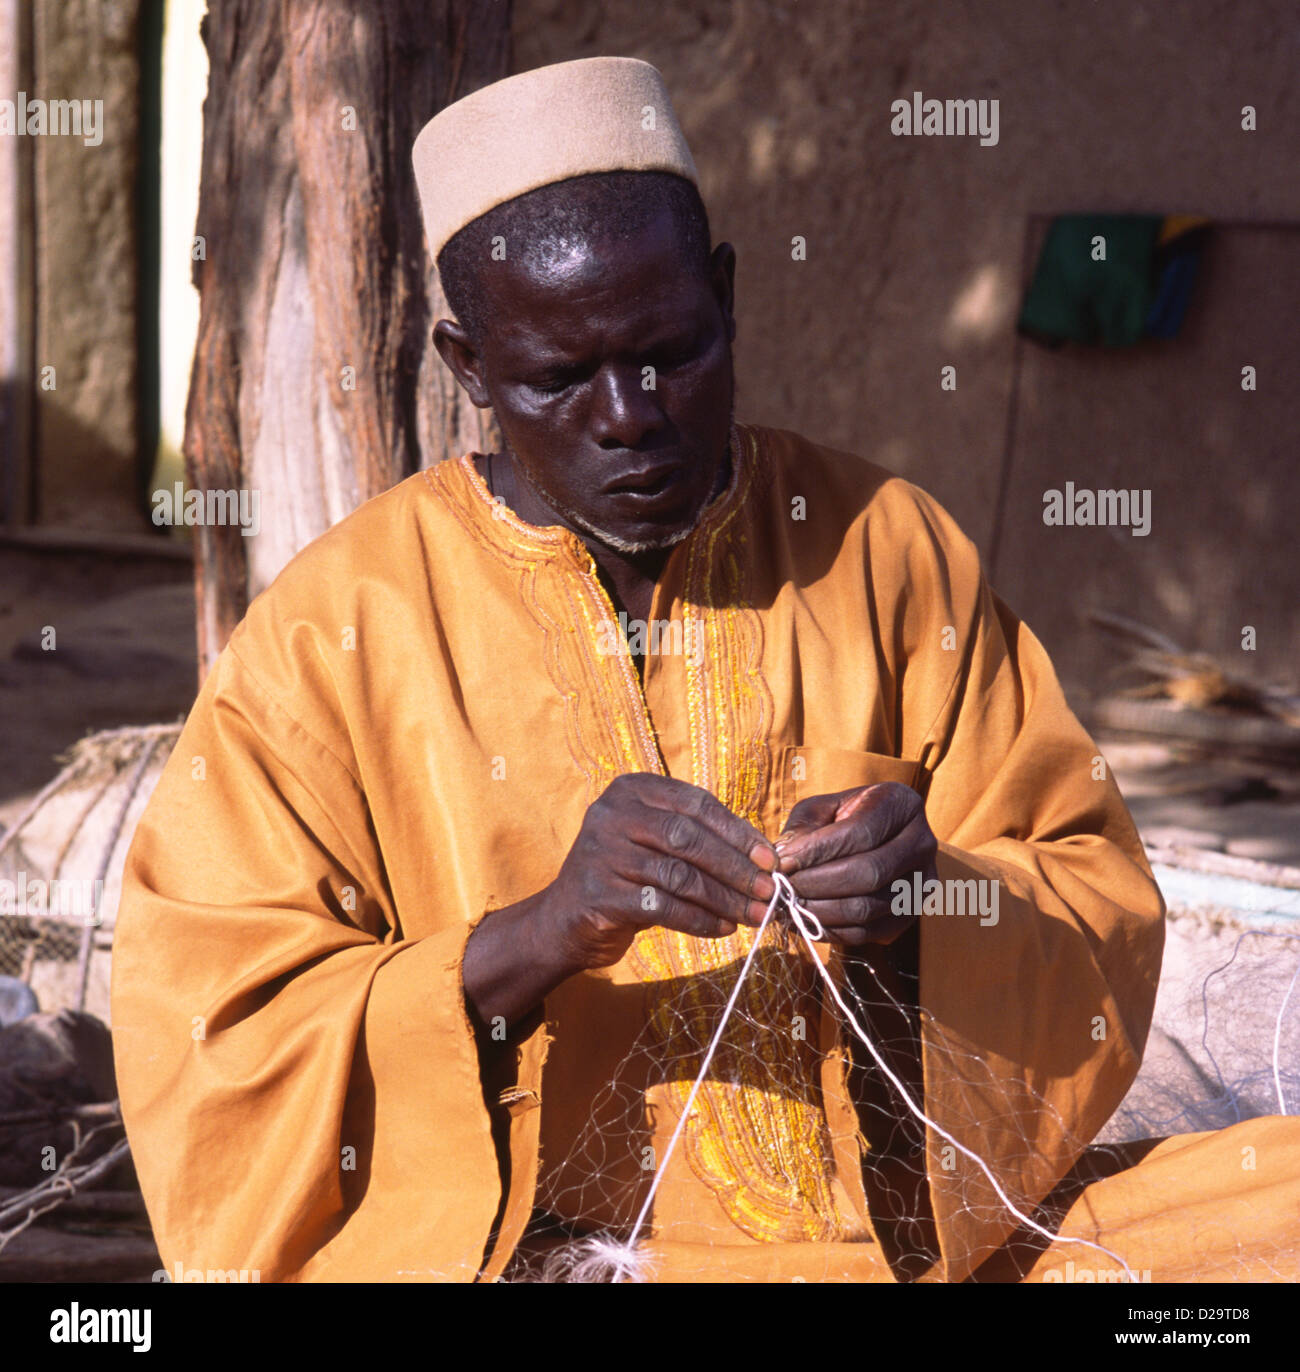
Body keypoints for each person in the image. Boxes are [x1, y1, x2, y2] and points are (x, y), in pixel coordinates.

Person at [110, 57, 1297, 1283]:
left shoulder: (886, 547)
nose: (630, 415)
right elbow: (212, 1037)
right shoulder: (336, 629)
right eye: (560, 378)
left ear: (725, 297)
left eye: (669, 352)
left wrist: (928, 899)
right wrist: (542, 930)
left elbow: (1093, 893)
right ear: (467, 367)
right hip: (537, 1261)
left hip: (908, 1241)